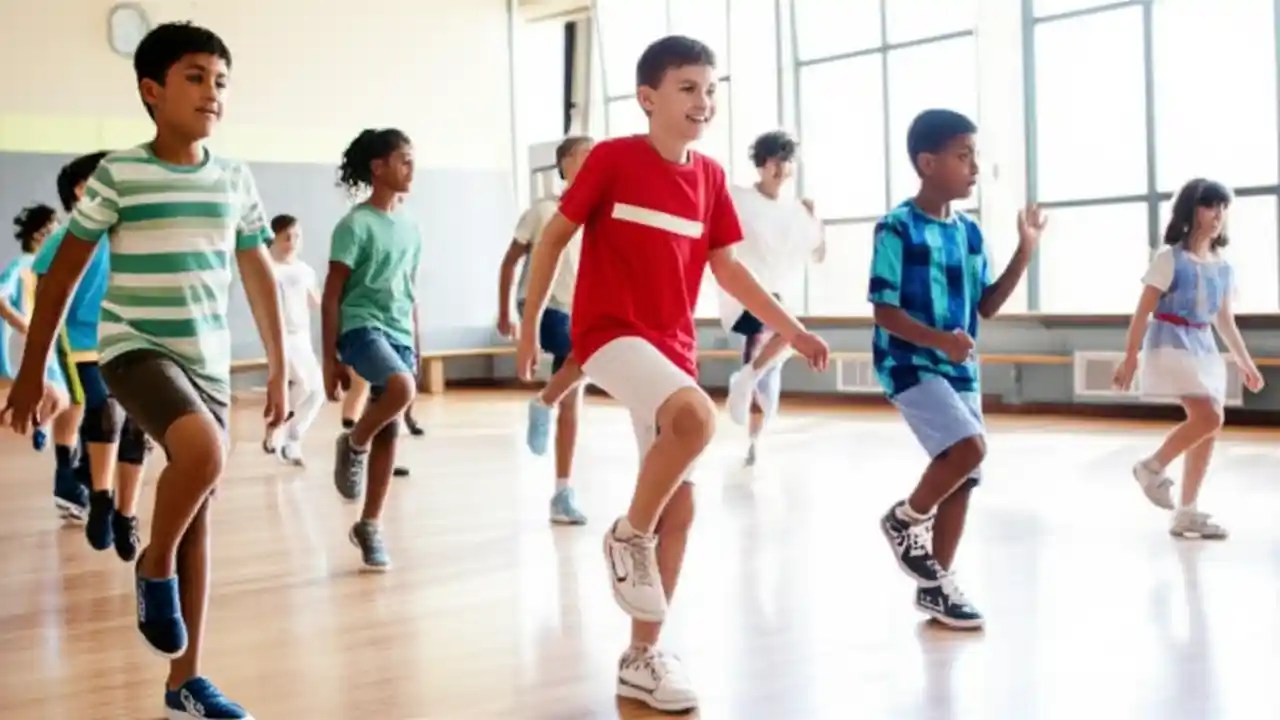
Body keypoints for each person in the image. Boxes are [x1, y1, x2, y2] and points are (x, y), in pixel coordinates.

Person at [516, 35, 829, 712]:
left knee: (682, 505)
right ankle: (628, 536)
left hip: (672, 348)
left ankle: (642, 656)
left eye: (711, 90)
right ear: (649, 98)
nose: (703, 101)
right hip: (607, 335)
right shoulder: (613, 160)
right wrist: (529, 322)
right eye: (688, 88)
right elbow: (553, 237)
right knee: (695, 419)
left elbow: (728, 269)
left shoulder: (712, 179)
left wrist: (792, 327)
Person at [2, 22, 286, 720]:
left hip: (208, 362)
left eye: (221, 80)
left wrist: (281, 367)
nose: (212, 92)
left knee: (202, 513)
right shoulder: (119, 173)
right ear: (151, 91)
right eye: (195, 76)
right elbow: (63, 273)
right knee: (204, 451)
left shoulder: (234, 178)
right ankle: (151, 563)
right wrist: (34, 369)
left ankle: (184, 680)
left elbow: (258, 274)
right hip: (132, 349)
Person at [870, 109, 1045, 631]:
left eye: (974, 156)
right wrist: (939, 341)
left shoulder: (968, 233)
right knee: (970, 449)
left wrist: (1025, 251)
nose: (974, 167)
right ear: (928, 162)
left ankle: (937, 587)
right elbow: (884, 309)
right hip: (908, 362)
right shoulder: (896, 227)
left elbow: (987, 304)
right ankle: (903, 520)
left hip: (958, 368)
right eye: (963, 155)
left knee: (963, 476)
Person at [1113, 178, 1265, 539]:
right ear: (1190, 210)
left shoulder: (1223, 266)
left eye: (1223, 208)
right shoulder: (1170, 259)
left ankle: (1187, 511)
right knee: (1208, 415)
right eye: (1210, 206)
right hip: (1170, 341)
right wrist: (1130, 357)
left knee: (1211, 422)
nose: (1218, 215)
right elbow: (1142, 312)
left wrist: (1246, 362)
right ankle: (1151, 467)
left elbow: (1223, 320)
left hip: (1202, 344)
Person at [34, 151, 151, 558]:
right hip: (79, 344)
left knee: (138, 424)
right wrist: (41, 363)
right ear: (83, 189)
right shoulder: (63, 240)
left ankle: (126, 513)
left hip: (126, 340)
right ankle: (100, 496)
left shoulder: (130, 234)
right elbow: (46, 299)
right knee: (103, 410)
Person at [323, 128, 422, 571]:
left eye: (412, 159)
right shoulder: (354, 225)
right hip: (361, 328)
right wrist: (329, 357)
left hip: (399, 333)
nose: (411, 167)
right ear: (378, 168)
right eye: (403, 159)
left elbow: (410, 292)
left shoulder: (412, 226)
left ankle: (369, 525)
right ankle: (354, 440)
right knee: (400, 389)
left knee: (393, 427)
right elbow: (332, 295)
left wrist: (418, 342)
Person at [497, 134, 593, 525]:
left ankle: (562, 491)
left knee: (575, 397)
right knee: (582, 357)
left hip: (579, 309)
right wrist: (508, 313)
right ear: (566, 162)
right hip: (543, 306)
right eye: (587, 155)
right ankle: (543, 401)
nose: (594, 161)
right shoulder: (542, 211)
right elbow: (510, 263)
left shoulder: (598, 213)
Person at [717, 130, 825, 466]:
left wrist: (815, 217)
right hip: (747, 294)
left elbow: (818, 253)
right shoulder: (739, 197)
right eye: (772, 162)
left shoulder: (796, 210)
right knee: (792, 331)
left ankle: (753, 434)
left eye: (785, 161)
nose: (779, 168)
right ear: (761, 165)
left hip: (778, 298)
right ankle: (748, 377)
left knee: (767, 376)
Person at [1, 203, 87, 519]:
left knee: (64, 399)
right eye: (51, 226)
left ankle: (46, 430)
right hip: (31, 342)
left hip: (50, 341)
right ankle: (48, 434)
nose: (57, 230)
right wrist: (23, 324)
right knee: (62, 398)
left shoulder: (52, 264)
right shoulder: (23, 265)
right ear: (39, 233)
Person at [263, 213, 324, 466]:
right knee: (304, 384)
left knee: (317, 391)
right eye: (287, 237)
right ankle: (279, 427)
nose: (293, 242)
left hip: (302, 338)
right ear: (274, 239)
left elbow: (315, 303)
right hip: (281, 337)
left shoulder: (305, 270)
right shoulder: (268, 269)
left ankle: (291, 437)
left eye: (297, 237)